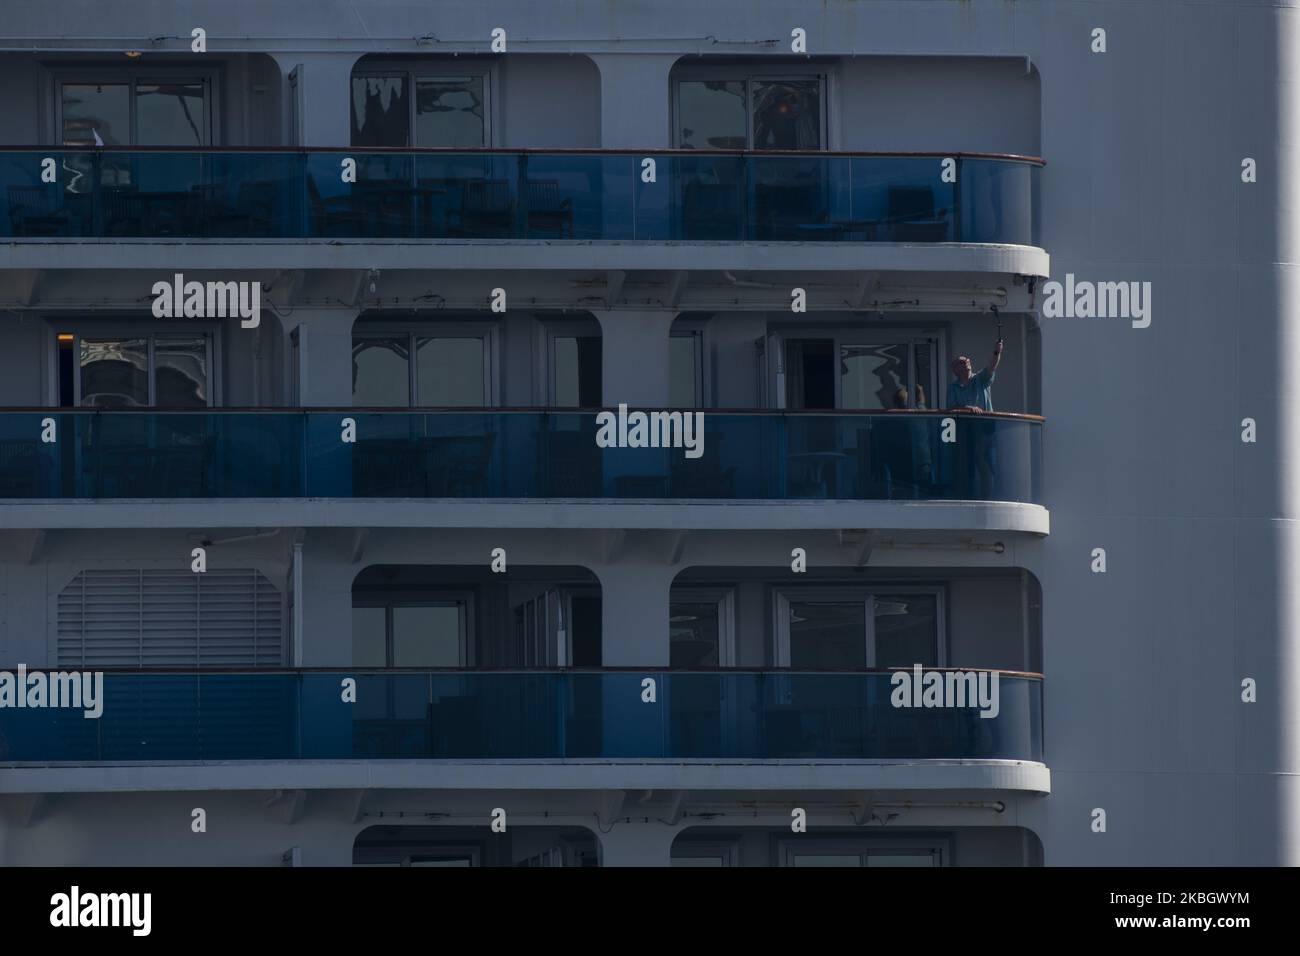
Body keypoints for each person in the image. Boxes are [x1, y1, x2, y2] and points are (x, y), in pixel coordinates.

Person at [946, 341, 1003, 412]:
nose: (966, 362)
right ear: (955, 369)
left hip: (984, 422)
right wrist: (969, 408)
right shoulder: (953, 387)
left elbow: (992, 366)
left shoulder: (980, 378)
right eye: (961, 362)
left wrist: (997, 351)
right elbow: (951, 408)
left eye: (967, 360)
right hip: (963, 422)